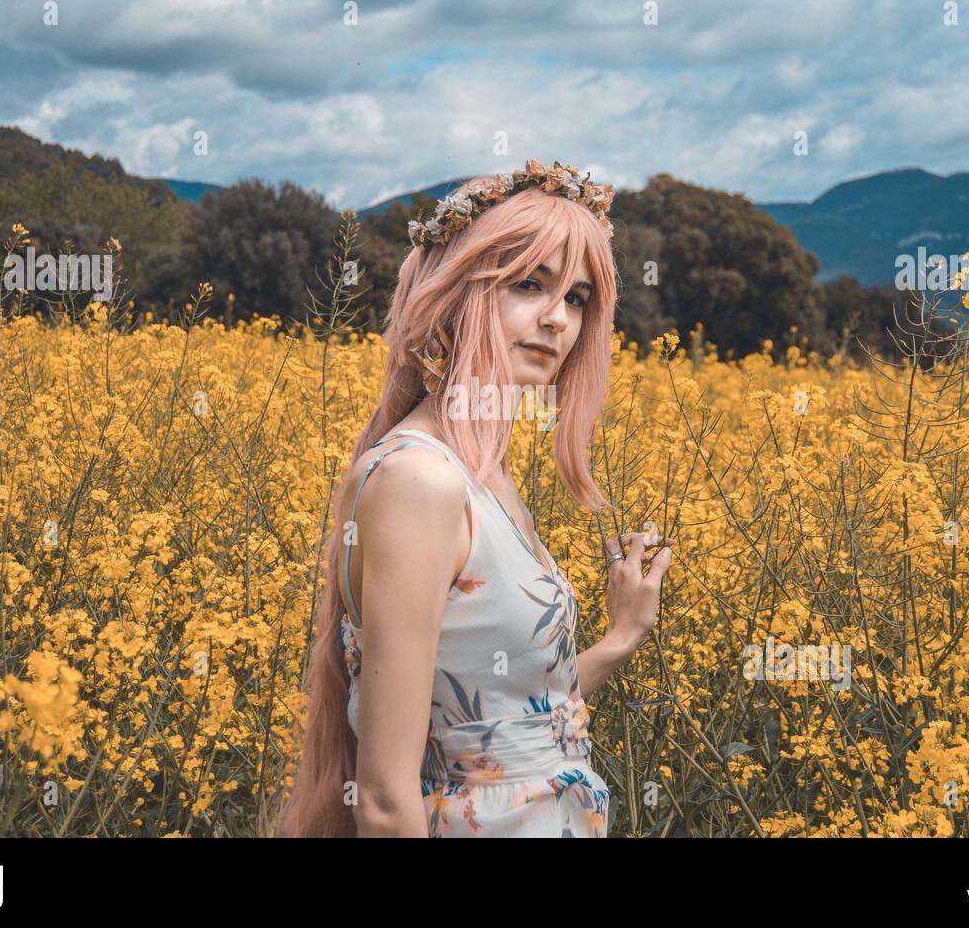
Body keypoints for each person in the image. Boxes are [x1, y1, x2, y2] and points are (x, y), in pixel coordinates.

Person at [269, 159, 673, 837]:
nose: (557, 320)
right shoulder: (420, 481)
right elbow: (385, 802)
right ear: (457, 293)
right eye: (528, 285)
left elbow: (498, 726)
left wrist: (621, 637)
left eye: (576, 298)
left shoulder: (487, 477)